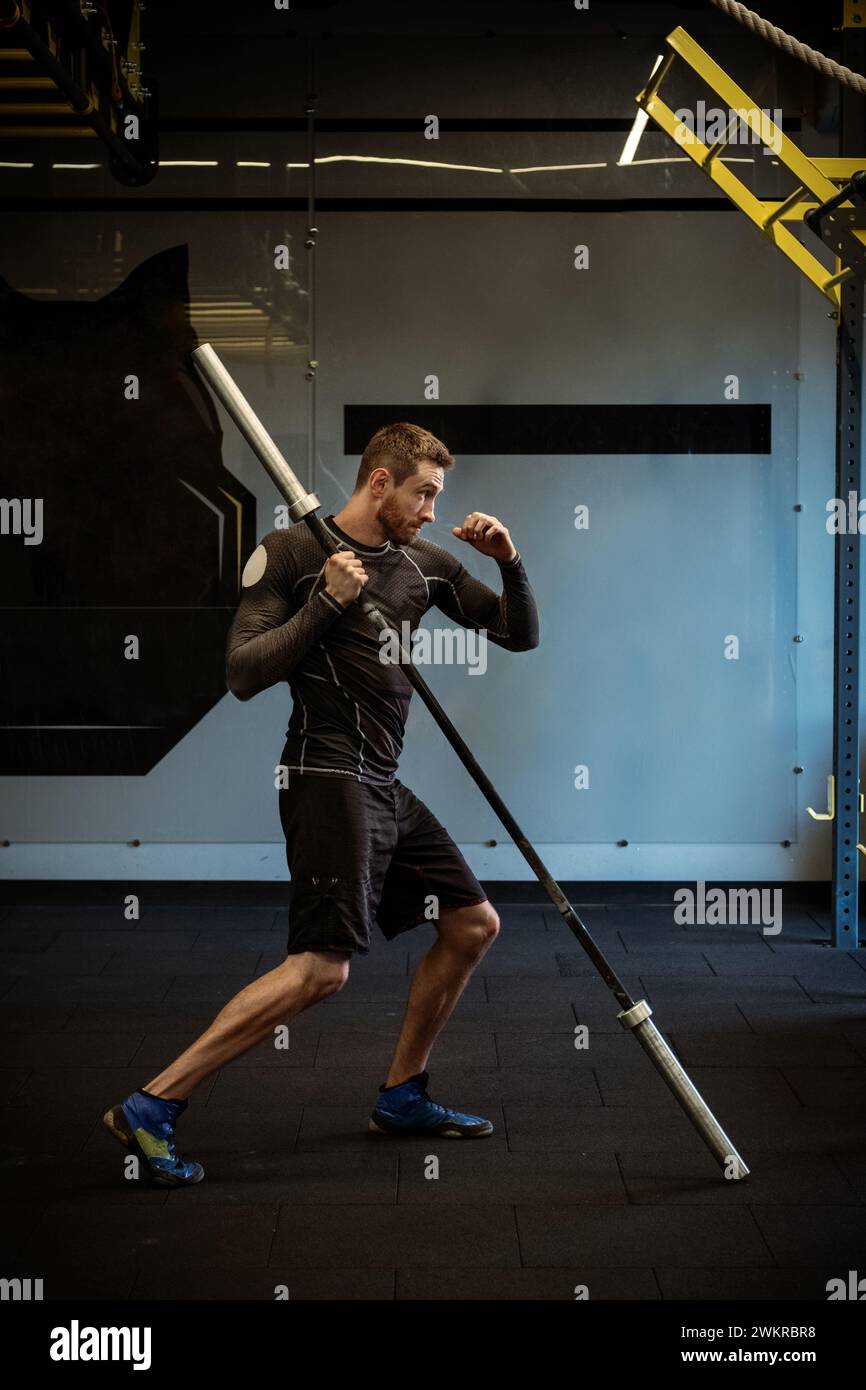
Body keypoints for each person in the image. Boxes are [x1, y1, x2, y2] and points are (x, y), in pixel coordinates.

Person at [103, 422, 540, 1186]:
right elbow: (242, 673)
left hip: (382, 782)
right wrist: (329, 605)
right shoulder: (292, 555)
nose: (433, 511)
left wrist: (511, 563)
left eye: (437, 495)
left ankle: (403, 1095)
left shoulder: (423, 564)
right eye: (424, 494)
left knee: (472, 923)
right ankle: (153, 1102)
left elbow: (517, 634)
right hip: (325, 779)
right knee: (319, 973)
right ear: (380, 482)